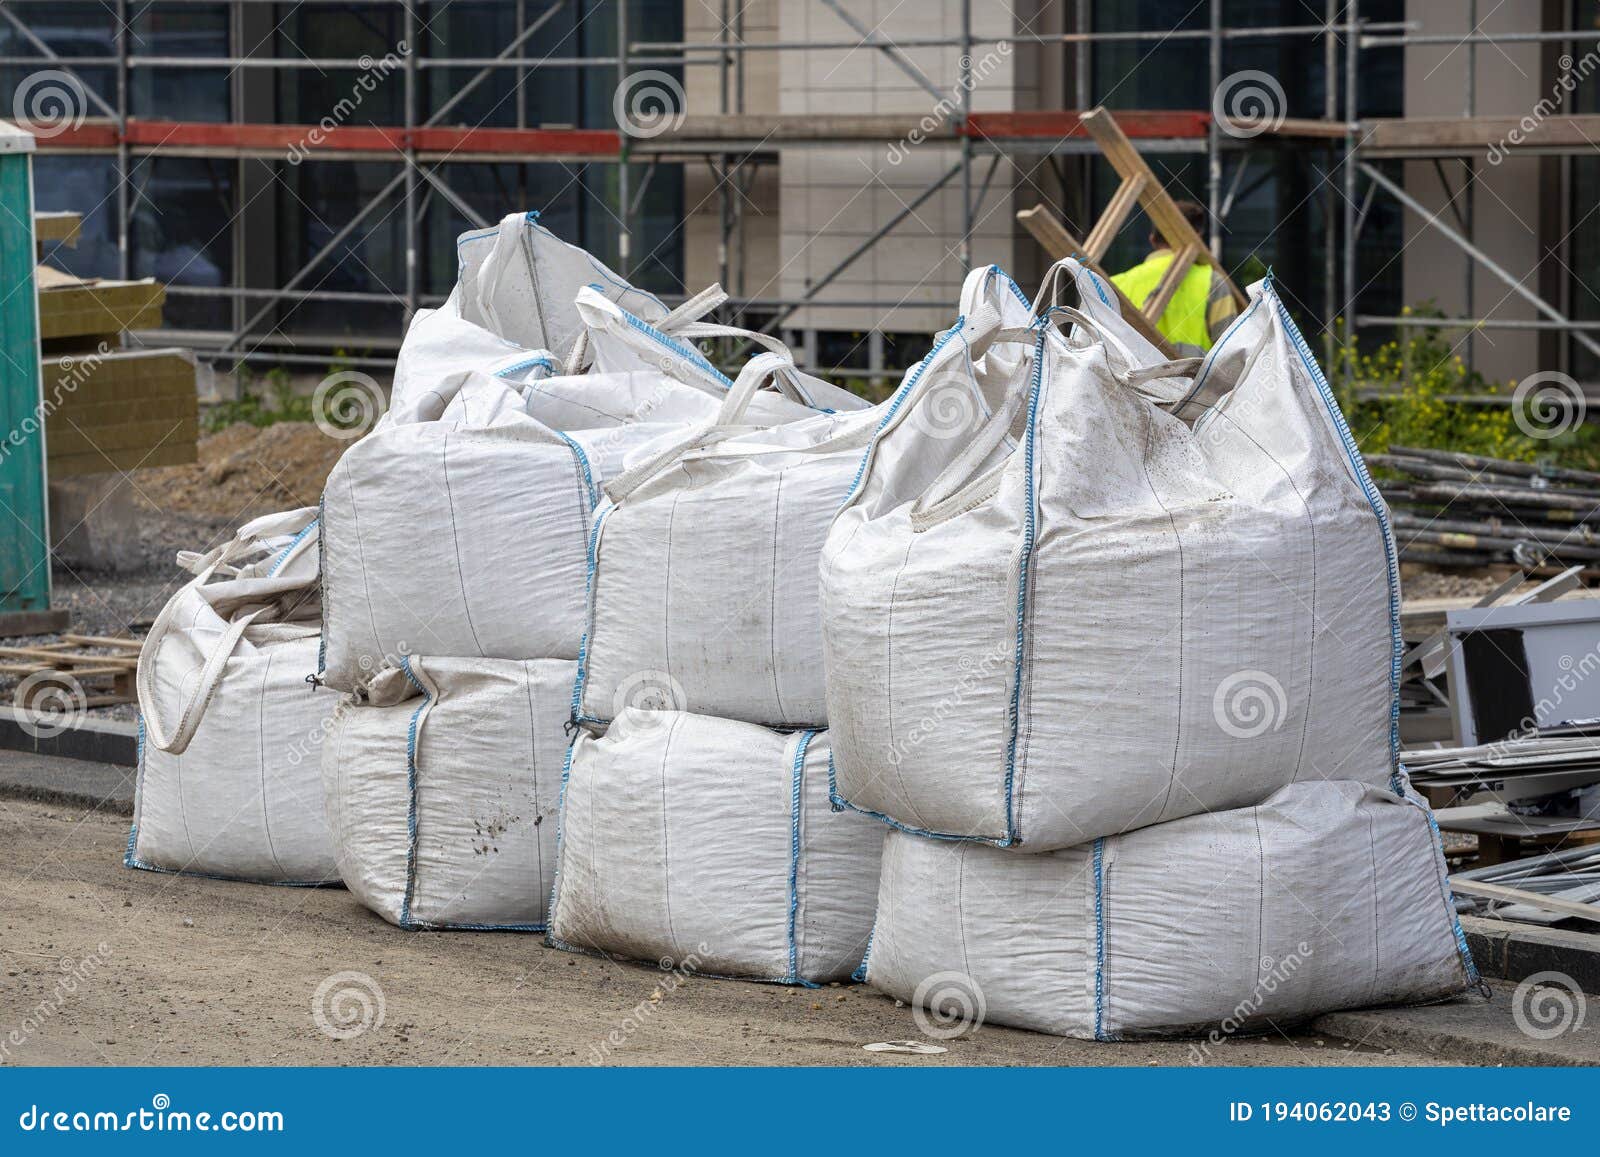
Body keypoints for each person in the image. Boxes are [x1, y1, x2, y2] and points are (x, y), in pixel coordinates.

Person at [1109, 199, 1237, 354]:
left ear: (1152, 239)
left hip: (1133, 377)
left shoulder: (1116, 284)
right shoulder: (1211, 281)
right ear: (1197, 237)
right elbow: (1230, 353)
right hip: (1193, 377)